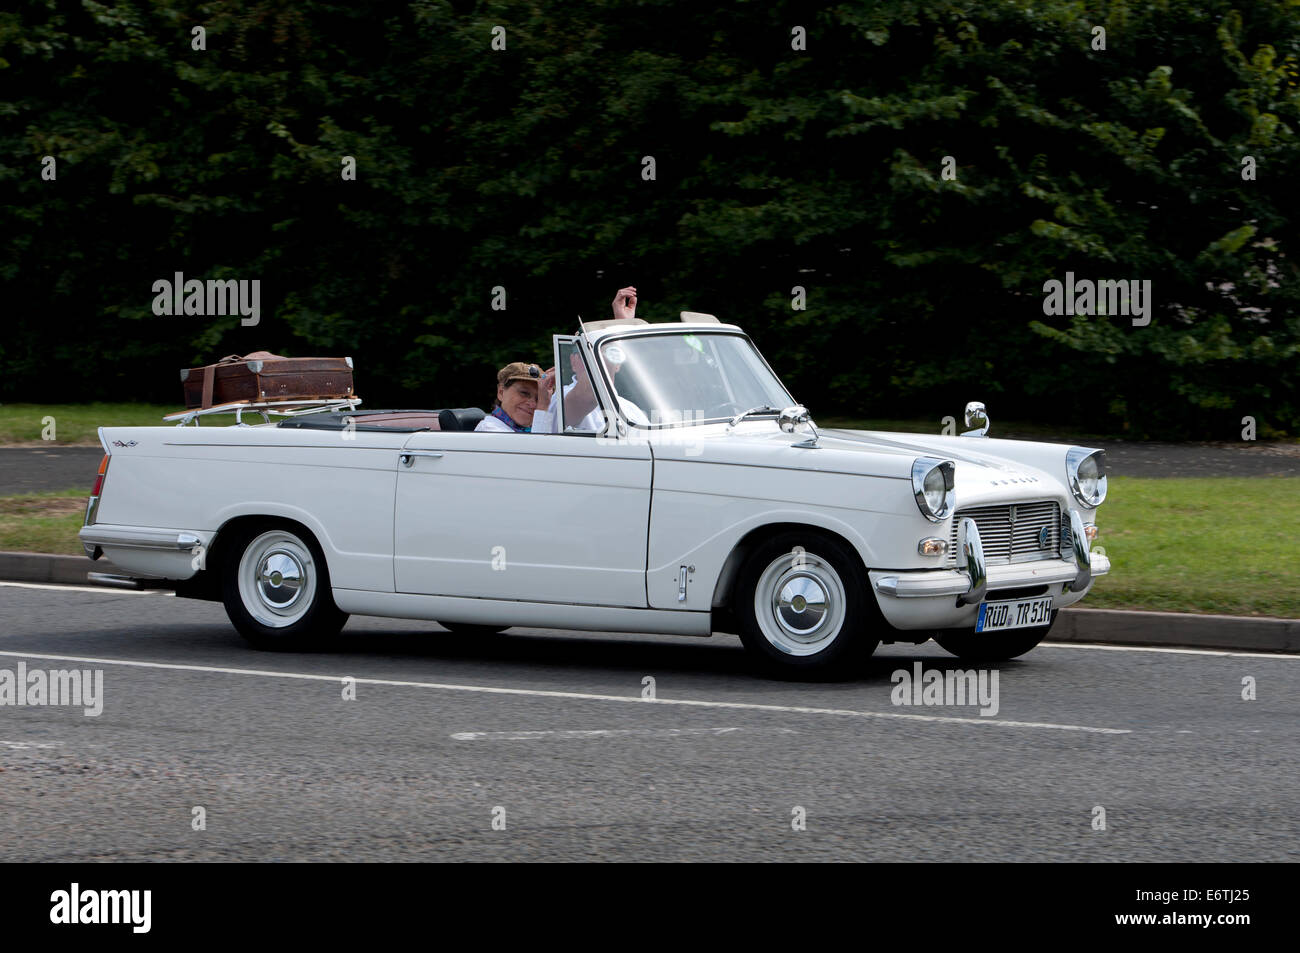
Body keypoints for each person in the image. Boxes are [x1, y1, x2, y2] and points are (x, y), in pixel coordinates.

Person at [530, 286, 651, 433]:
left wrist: (619, 330)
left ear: (617, 362)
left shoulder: (631, 409)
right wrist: (620, 328)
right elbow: (590, 394)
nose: (596, 359)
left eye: (604, 353)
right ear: (574, 362)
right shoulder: (561, 397)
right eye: (586, 354)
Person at [473, 361, 543, 432]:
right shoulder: (490, 430)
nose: (533, 404)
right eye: (524, 393)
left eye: (539, 399)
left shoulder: (531, 431)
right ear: (501, 392)